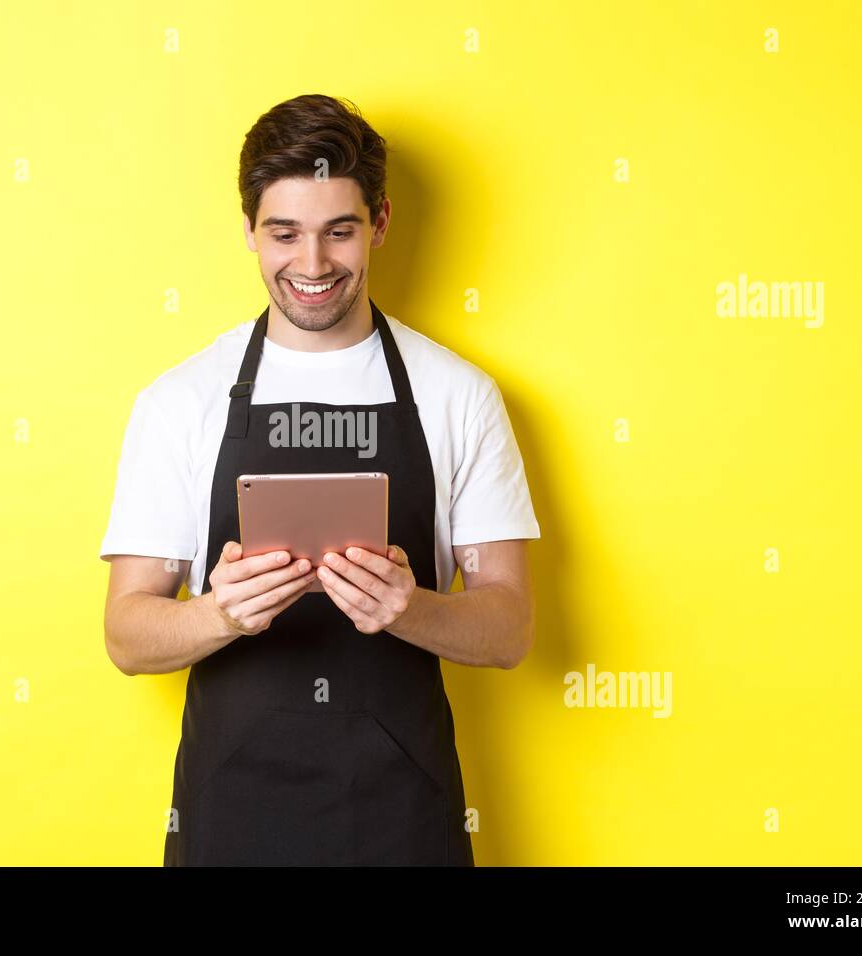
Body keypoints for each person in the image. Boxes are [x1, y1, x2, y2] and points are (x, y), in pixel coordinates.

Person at [100, 93, 541, 866]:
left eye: (339, 231)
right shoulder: (180, 402)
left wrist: (410, 609)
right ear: (248, 232)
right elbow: (127, 637)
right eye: (285, 233)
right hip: (231, 814)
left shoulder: (457, 394)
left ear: (380, 223)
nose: (312, 265)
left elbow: (509, 629)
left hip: (402, 814)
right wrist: (219, 616)